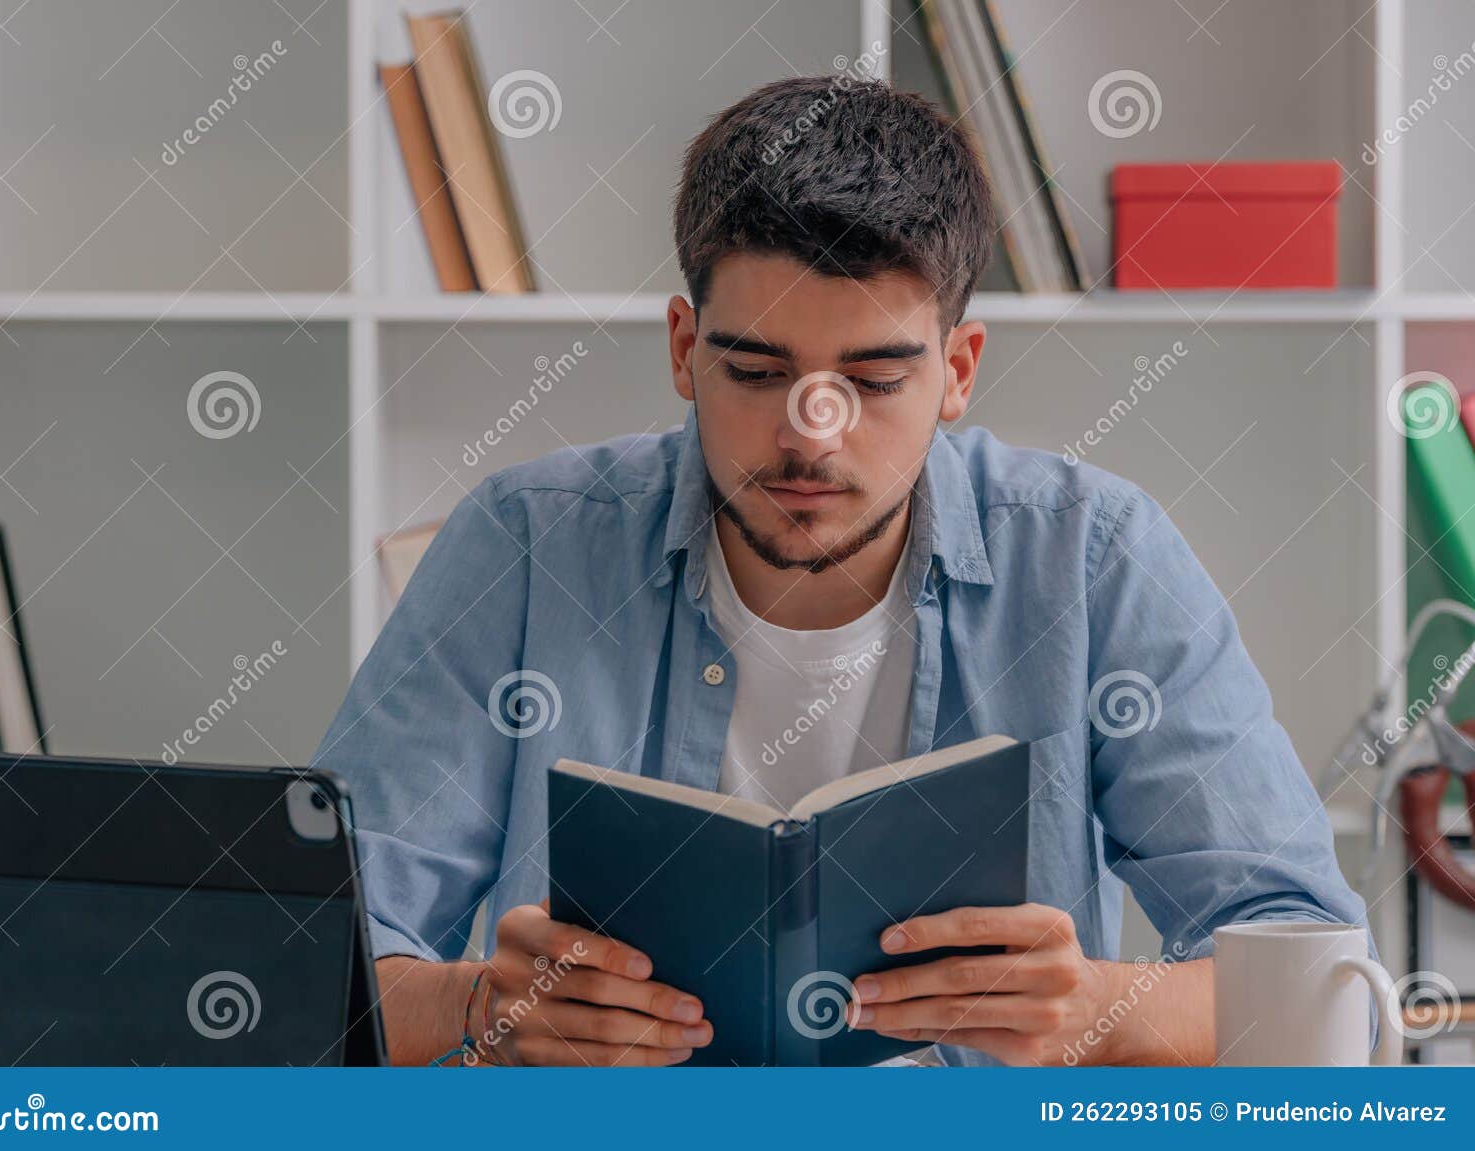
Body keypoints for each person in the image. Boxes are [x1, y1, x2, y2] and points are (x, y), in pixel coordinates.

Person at [315, 76, 1366, 1067]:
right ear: (682, 348)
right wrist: (479, 1006)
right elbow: (303, 967)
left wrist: (1097, 1006)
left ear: (956, 370)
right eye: (755, 370)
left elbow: (1324, 983)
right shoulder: (525, 545)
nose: (809, 435)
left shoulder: (1093, 556)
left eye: (873, 379)